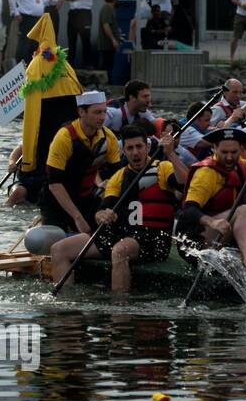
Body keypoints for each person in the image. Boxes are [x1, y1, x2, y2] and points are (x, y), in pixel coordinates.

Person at [51, 124, 189, 291]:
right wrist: (102, 216)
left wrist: (171, 154)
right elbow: (101, 211)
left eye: (139, 146)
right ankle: (64, 305)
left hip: (154, 239)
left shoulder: (163, 168)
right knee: (59, 249)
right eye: (130, 148)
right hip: (122, 234)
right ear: (124, 151)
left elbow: (186, 183)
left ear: (148, 146)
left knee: (119, 251)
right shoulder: (119, 176)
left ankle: (119, 309)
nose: (135, 152)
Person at [177, 127, 246, 269]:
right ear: (214, 149)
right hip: (195, 242)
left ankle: (243, 265)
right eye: (224, 152)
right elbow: (189, 210)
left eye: (234, 152)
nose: (229, 157)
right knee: (244, 209)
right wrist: (213, 222)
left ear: (241, 150)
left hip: (224, 238)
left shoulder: (241, 166)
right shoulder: (206, 174)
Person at [40, 90, 122, 233]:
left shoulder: (109, 138)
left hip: (86, 199)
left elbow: (119, 176)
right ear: (81, 112)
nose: (102, 118)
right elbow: (54, 183)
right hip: (56, 200)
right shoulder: (64, 137)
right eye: (97, 112)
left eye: (104, 112)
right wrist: (78, 217)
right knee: (53, 241)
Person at [62, 0, 97, 68]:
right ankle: (70, 64)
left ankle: (87, 63)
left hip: (85, 13)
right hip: (73, 13)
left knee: (85, 39)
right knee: (72, 39)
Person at [97, 0, 120, 82]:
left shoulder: (110, 9)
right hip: (106, 44)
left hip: (109, 44)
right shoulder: (107, 9)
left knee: (109, 64)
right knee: (106, 65)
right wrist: (113, 40)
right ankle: (105, 84)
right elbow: (106, 25)